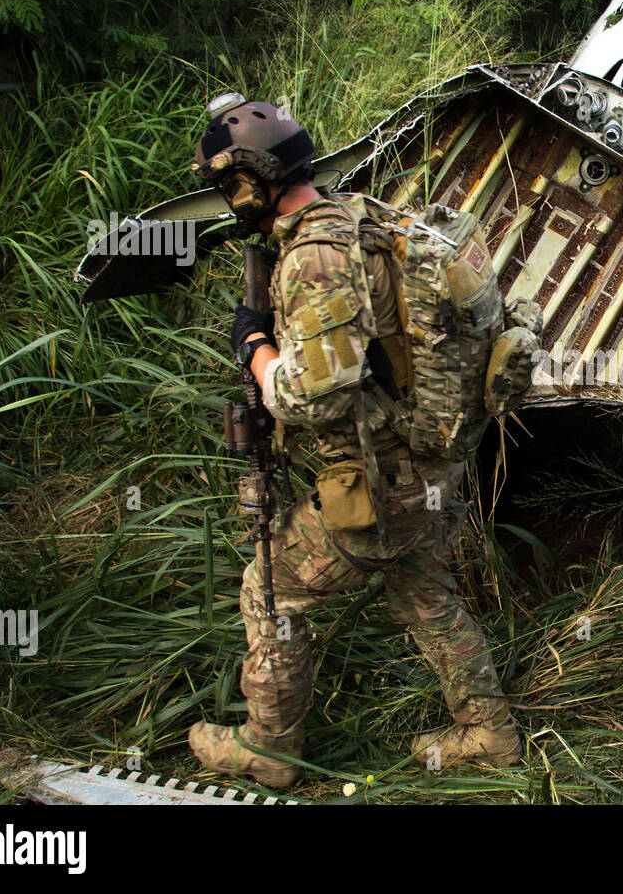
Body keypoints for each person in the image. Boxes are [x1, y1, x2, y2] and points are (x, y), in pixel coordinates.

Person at [185, 93, 519, 788]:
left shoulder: (315, 255)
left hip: (381, 481)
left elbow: (316, 392)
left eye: (228, 186)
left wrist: (255, 348)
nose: (227, 201)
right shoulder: (360, 216)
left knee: (269, 591)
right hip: (428, 463)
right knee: (424, 595)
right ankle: (490, 732)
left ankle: (269, 748)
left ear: (254, 179)